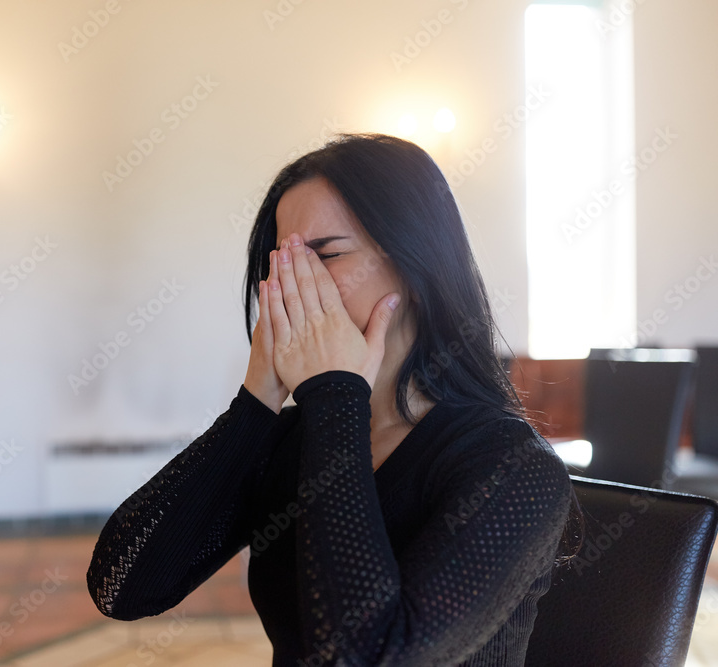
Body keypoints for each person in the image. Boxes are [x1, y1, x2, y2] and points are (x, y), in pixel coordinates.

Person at [86, 133, 581, 666]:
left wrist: (336, 397)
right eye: (283, 266)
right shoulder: (294, 438)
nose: (298, 287)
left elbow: (365, 656)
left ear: (416, 269)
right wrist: (255, 406)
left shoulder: (513, 466)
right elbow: (122, 587)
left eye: (327, 256)